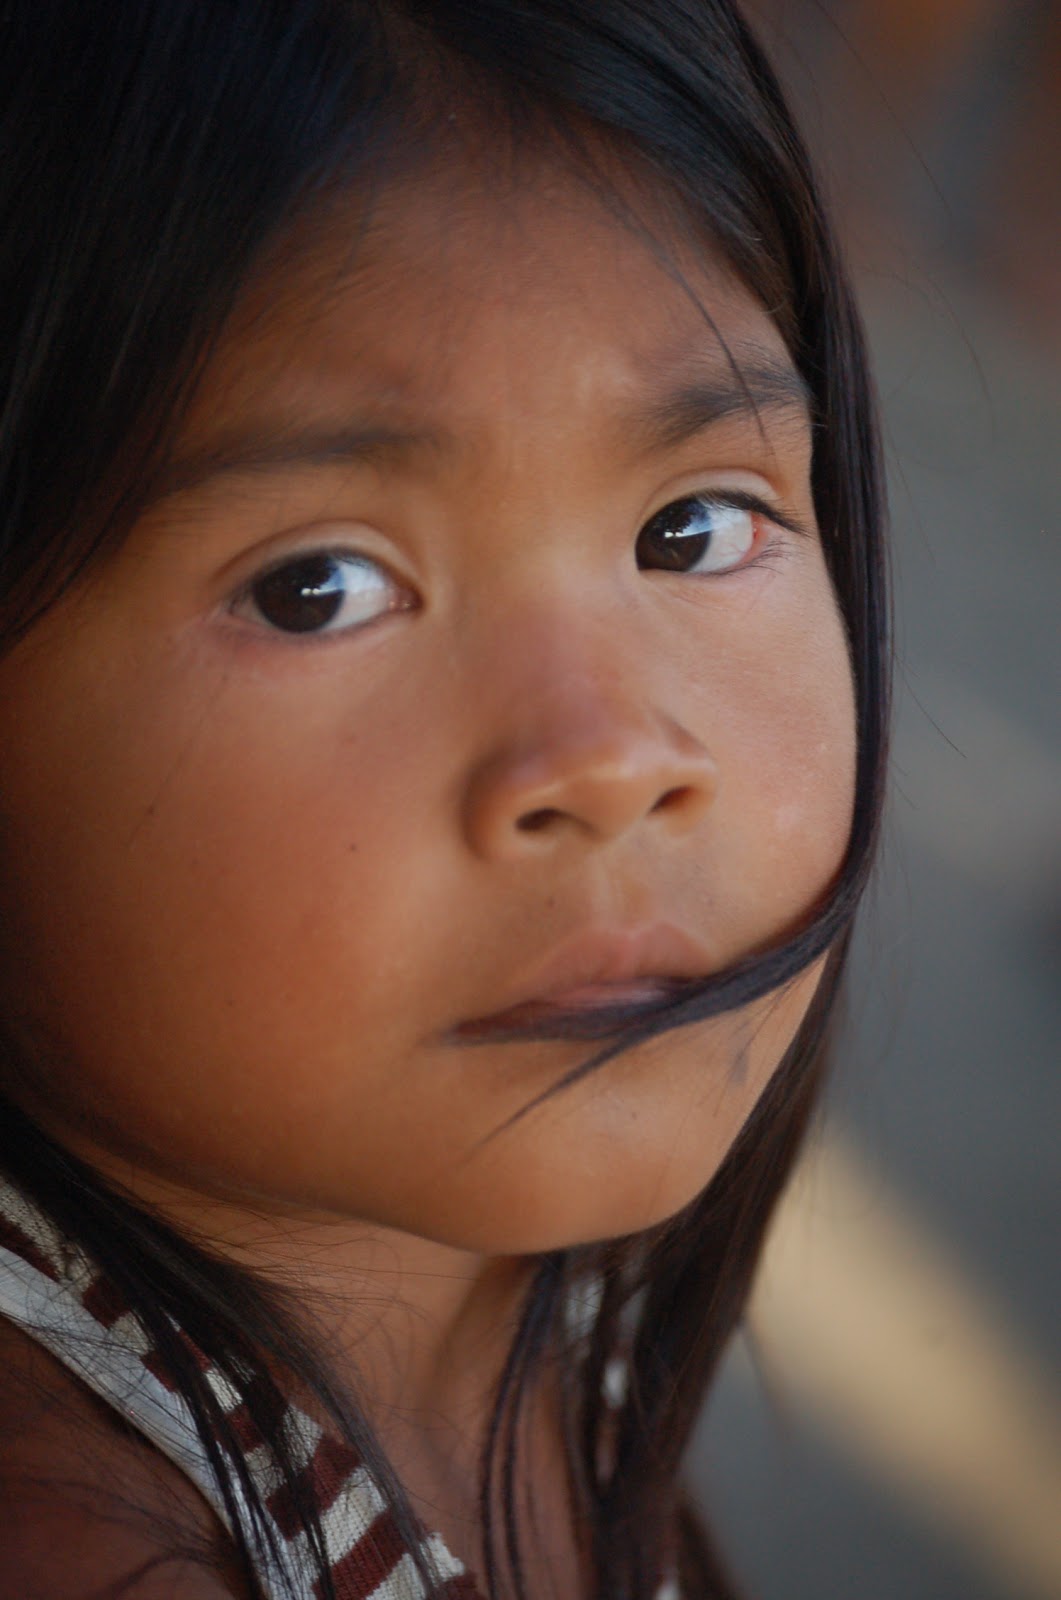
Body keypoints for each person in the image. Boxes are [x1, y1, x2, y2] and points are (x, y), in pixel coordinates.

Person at [0, 2, 888, 1596]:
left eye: (690, 530)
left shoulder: (522, 1267)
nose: (613, 760)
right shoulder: (77, 1541)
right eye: (316, 588)